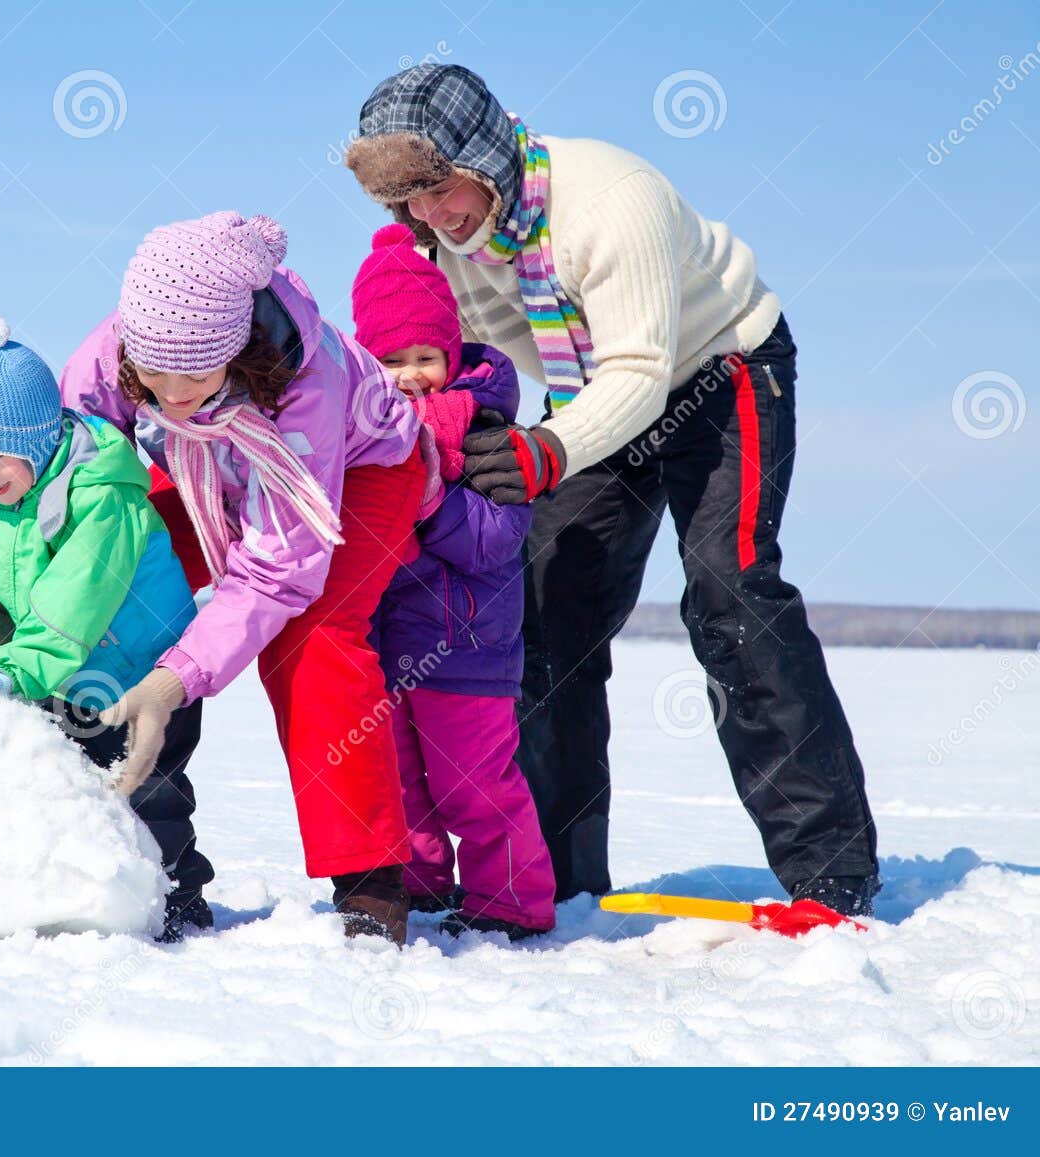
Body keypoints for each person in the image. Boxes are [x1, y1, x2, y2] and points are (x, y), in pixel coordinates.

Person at [344, 64, 880, 915]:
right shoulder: (437, 243)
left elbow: (640, 368)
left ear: (484, 159)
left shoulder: (606, 200)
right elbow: (446, 351)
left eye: (439, 189)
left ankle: (831, 875)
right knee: (546, 618)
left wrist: (543, 453)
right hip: (584, 396)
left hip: (718, 371)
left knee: (731, 595)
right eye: (407, 202)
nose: (430, 215)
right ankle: (555, 880)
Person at [59, 211, 434, 942]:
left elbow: (277, 571)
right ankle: (136, 842)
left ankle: (371, 885)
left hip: (352, 477)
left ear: (235, 350)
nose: (169, 396)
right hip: (209, 471)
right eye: (151, 376)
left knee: (310, 640)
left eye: (194, 375)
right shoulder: (114, 350)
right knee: (109, 570)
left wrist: (174, 681)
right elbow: (67, 477)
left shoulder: (308, 385)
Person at [0, 313, 213, 941]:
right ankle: (80, 897)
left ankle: (180, 898)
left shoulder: (104, 496)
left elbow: (72, 602)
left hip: (139, 676)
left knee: (148, 792)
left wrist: (6, 669)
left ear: (37, 438)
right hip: (63, 673)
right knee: (69, 787)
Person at [354, 223, 556, 939]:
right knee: (402, 785)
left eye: (425, 356)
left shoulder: (483, 426)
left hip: (465, 646)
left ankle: (512, 901)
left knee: (476, 787)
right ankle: (421, 884)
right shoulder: (361, 432)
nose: (411, 373)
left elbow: (496, 538)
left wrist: (434, 494)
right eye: (392, 358)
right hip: (385, 649)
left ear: (452, 350)